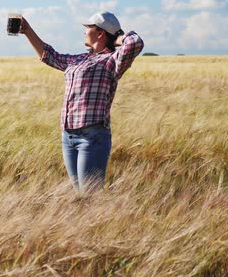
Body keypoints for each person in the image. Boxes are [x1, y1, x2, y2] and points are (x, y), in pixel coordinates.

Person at [19, 11, 144, 192]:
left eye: (88, 28)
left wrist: (115, 39)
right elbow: (49, 55)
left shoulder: (111, 61)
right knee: (80, 197)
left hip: (91, 137)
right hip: (68, 136)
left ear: (100, 33)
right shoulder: (79, 59)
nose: (84, 31)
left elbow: (135, 43)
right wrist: (27, 30)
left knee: (90, 196)